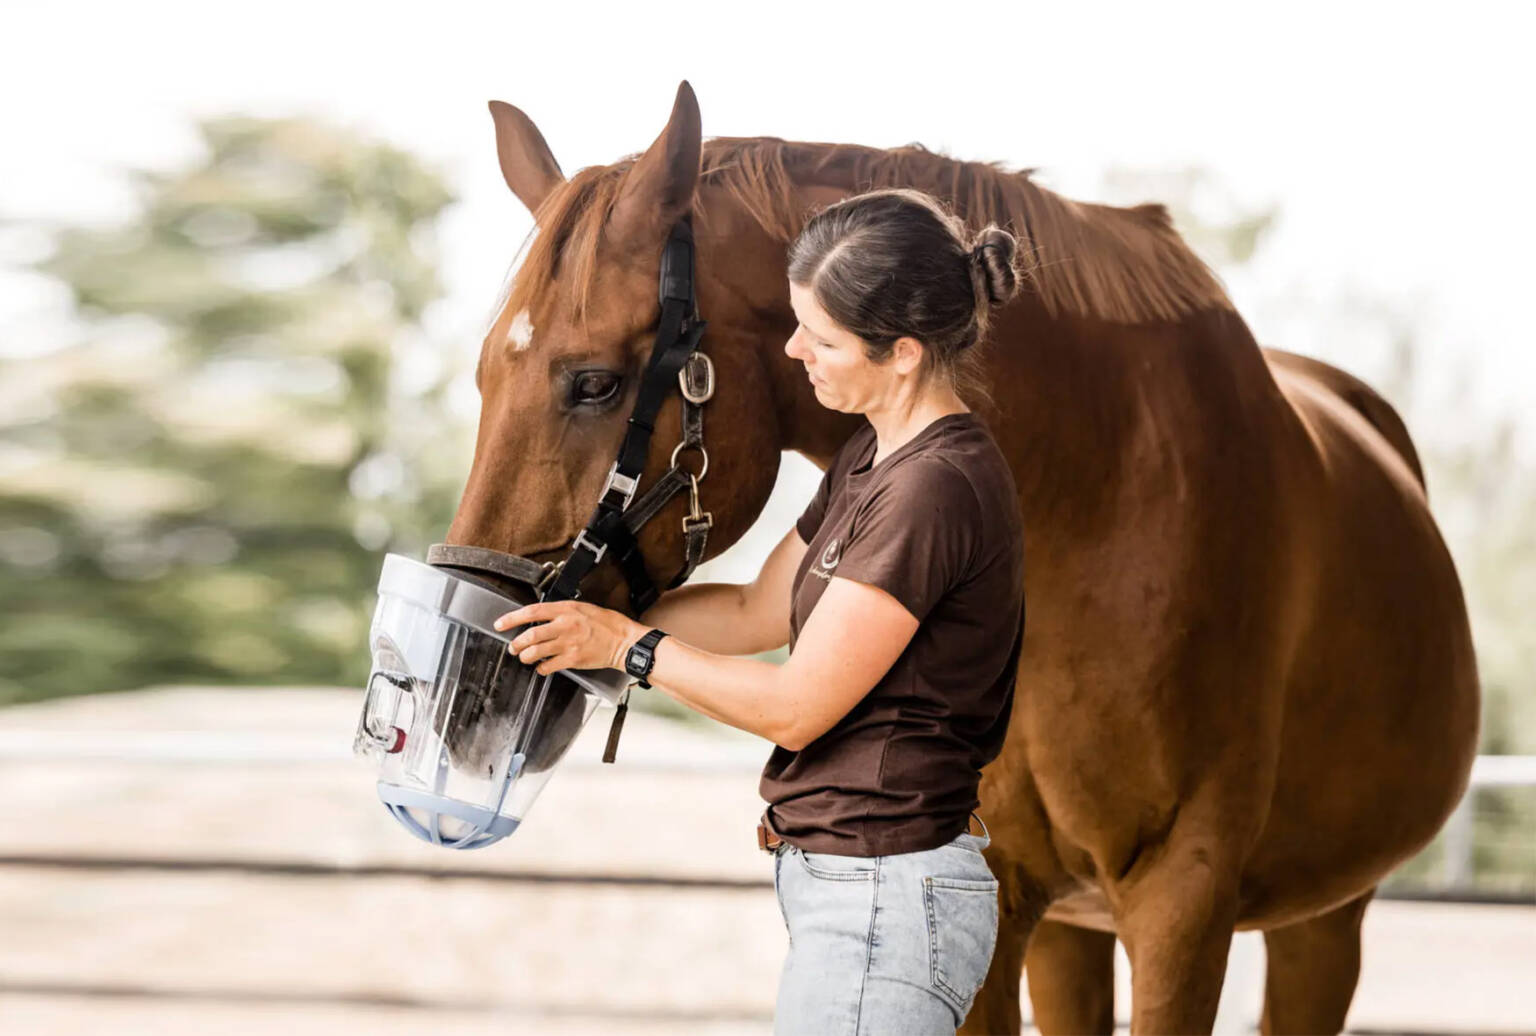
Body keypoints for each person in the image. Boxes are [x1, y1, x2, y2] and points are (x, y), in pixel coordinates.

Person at [494, 187, 1027, 1034]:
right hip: (852, 891)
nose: (793, 349)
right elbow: (754, 609)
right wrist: (571, 619)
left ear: (902, 353)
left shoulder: (934, 487)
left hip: (885, 899)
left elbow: (798, 707)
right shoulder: (874, 455)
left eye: (821, 336)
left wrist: (628, 647)